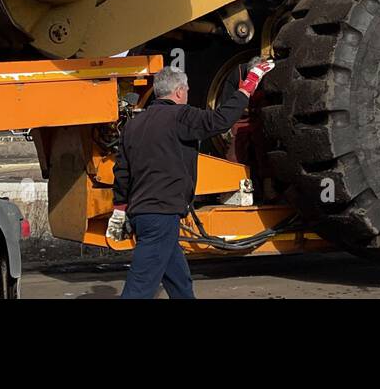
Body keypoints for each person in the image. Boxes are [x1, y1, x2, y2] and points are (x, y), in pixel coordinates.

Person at [110, 57, 275, 299]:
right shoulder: (180, 116)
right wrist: (248, 85)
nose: (187, 94)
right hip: (162, 214)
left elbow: (122, 171)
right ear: (178, 91)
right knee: (140, 287)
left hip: (143, 215)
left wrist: (120, 208)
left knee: (179, 281)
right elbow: (219, 121)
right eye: (186, 90)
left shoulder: (134, 125)